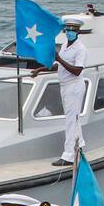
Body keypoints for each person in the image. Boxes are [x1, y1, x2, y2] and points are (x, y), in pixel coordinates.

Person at [31, 15, 87, 167]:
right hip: (65, 86)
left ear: (78, 32)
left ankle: (69, 156)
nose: (69, 32)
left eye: (72, 30)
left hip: (74, 86)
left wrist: (60, 60)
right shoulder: (64, 46)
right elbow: (59, 66)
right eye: (67, 29)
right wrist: (41, 70)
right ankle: (80, 146)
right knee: (73, 119)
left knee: (70, 120)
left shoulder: (80, 49)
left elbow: (77, 70)